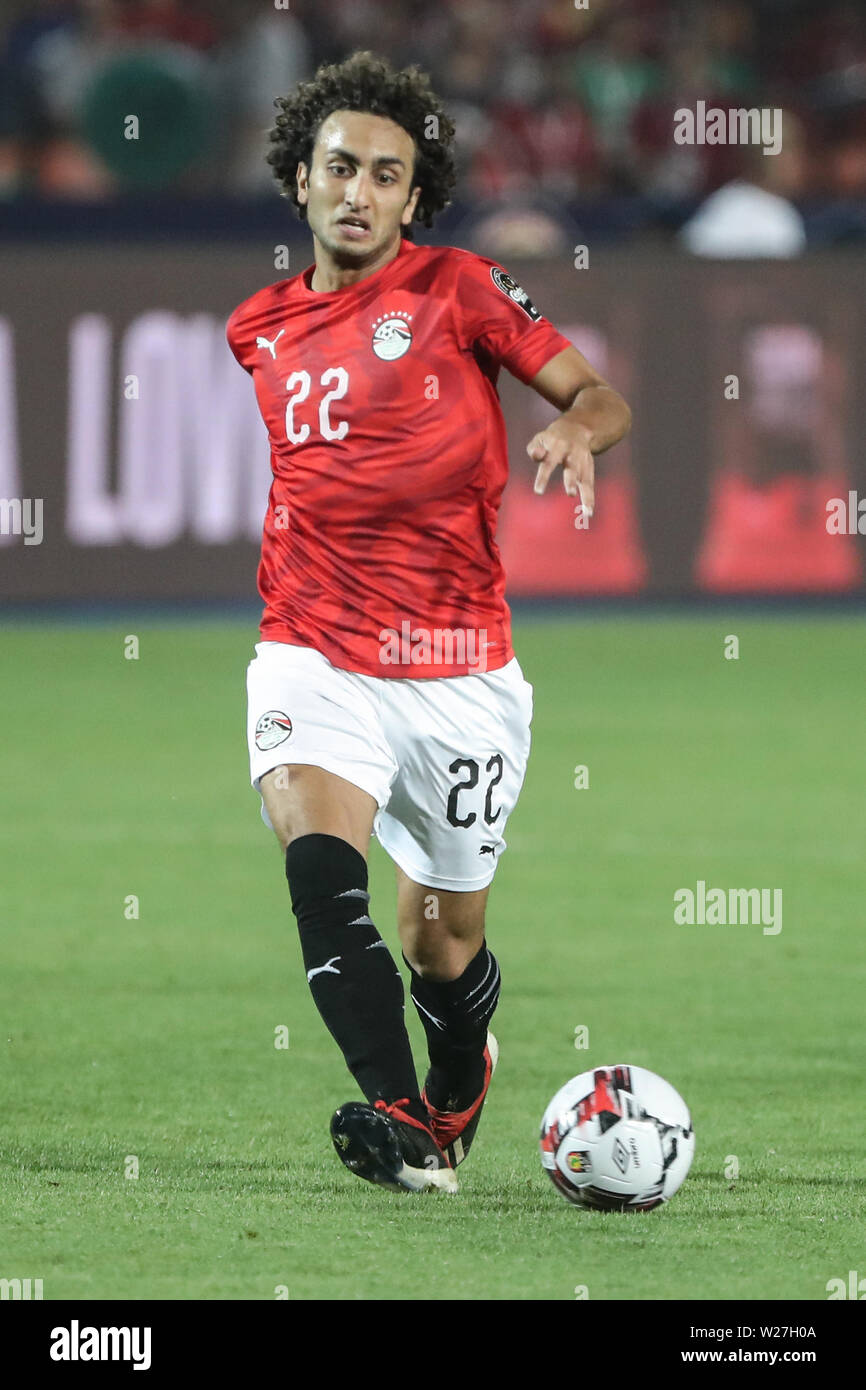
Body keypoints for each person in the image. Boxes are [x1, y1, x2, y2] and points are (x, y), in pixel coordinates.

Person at [226, 50, 631, 1194]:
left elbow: (599, 395)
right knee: (319, 876)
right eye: (339, 167)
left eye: (385, 176)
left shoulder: (460, 289)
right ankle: (404, 1123)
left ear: (414, 197)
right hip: (310, 646)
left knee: (438, 944)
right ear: (300, 179)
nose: (358, 192)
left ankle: (457, 1071)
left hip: (459, 673)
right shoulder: (255, 328)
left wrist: (574, 435)